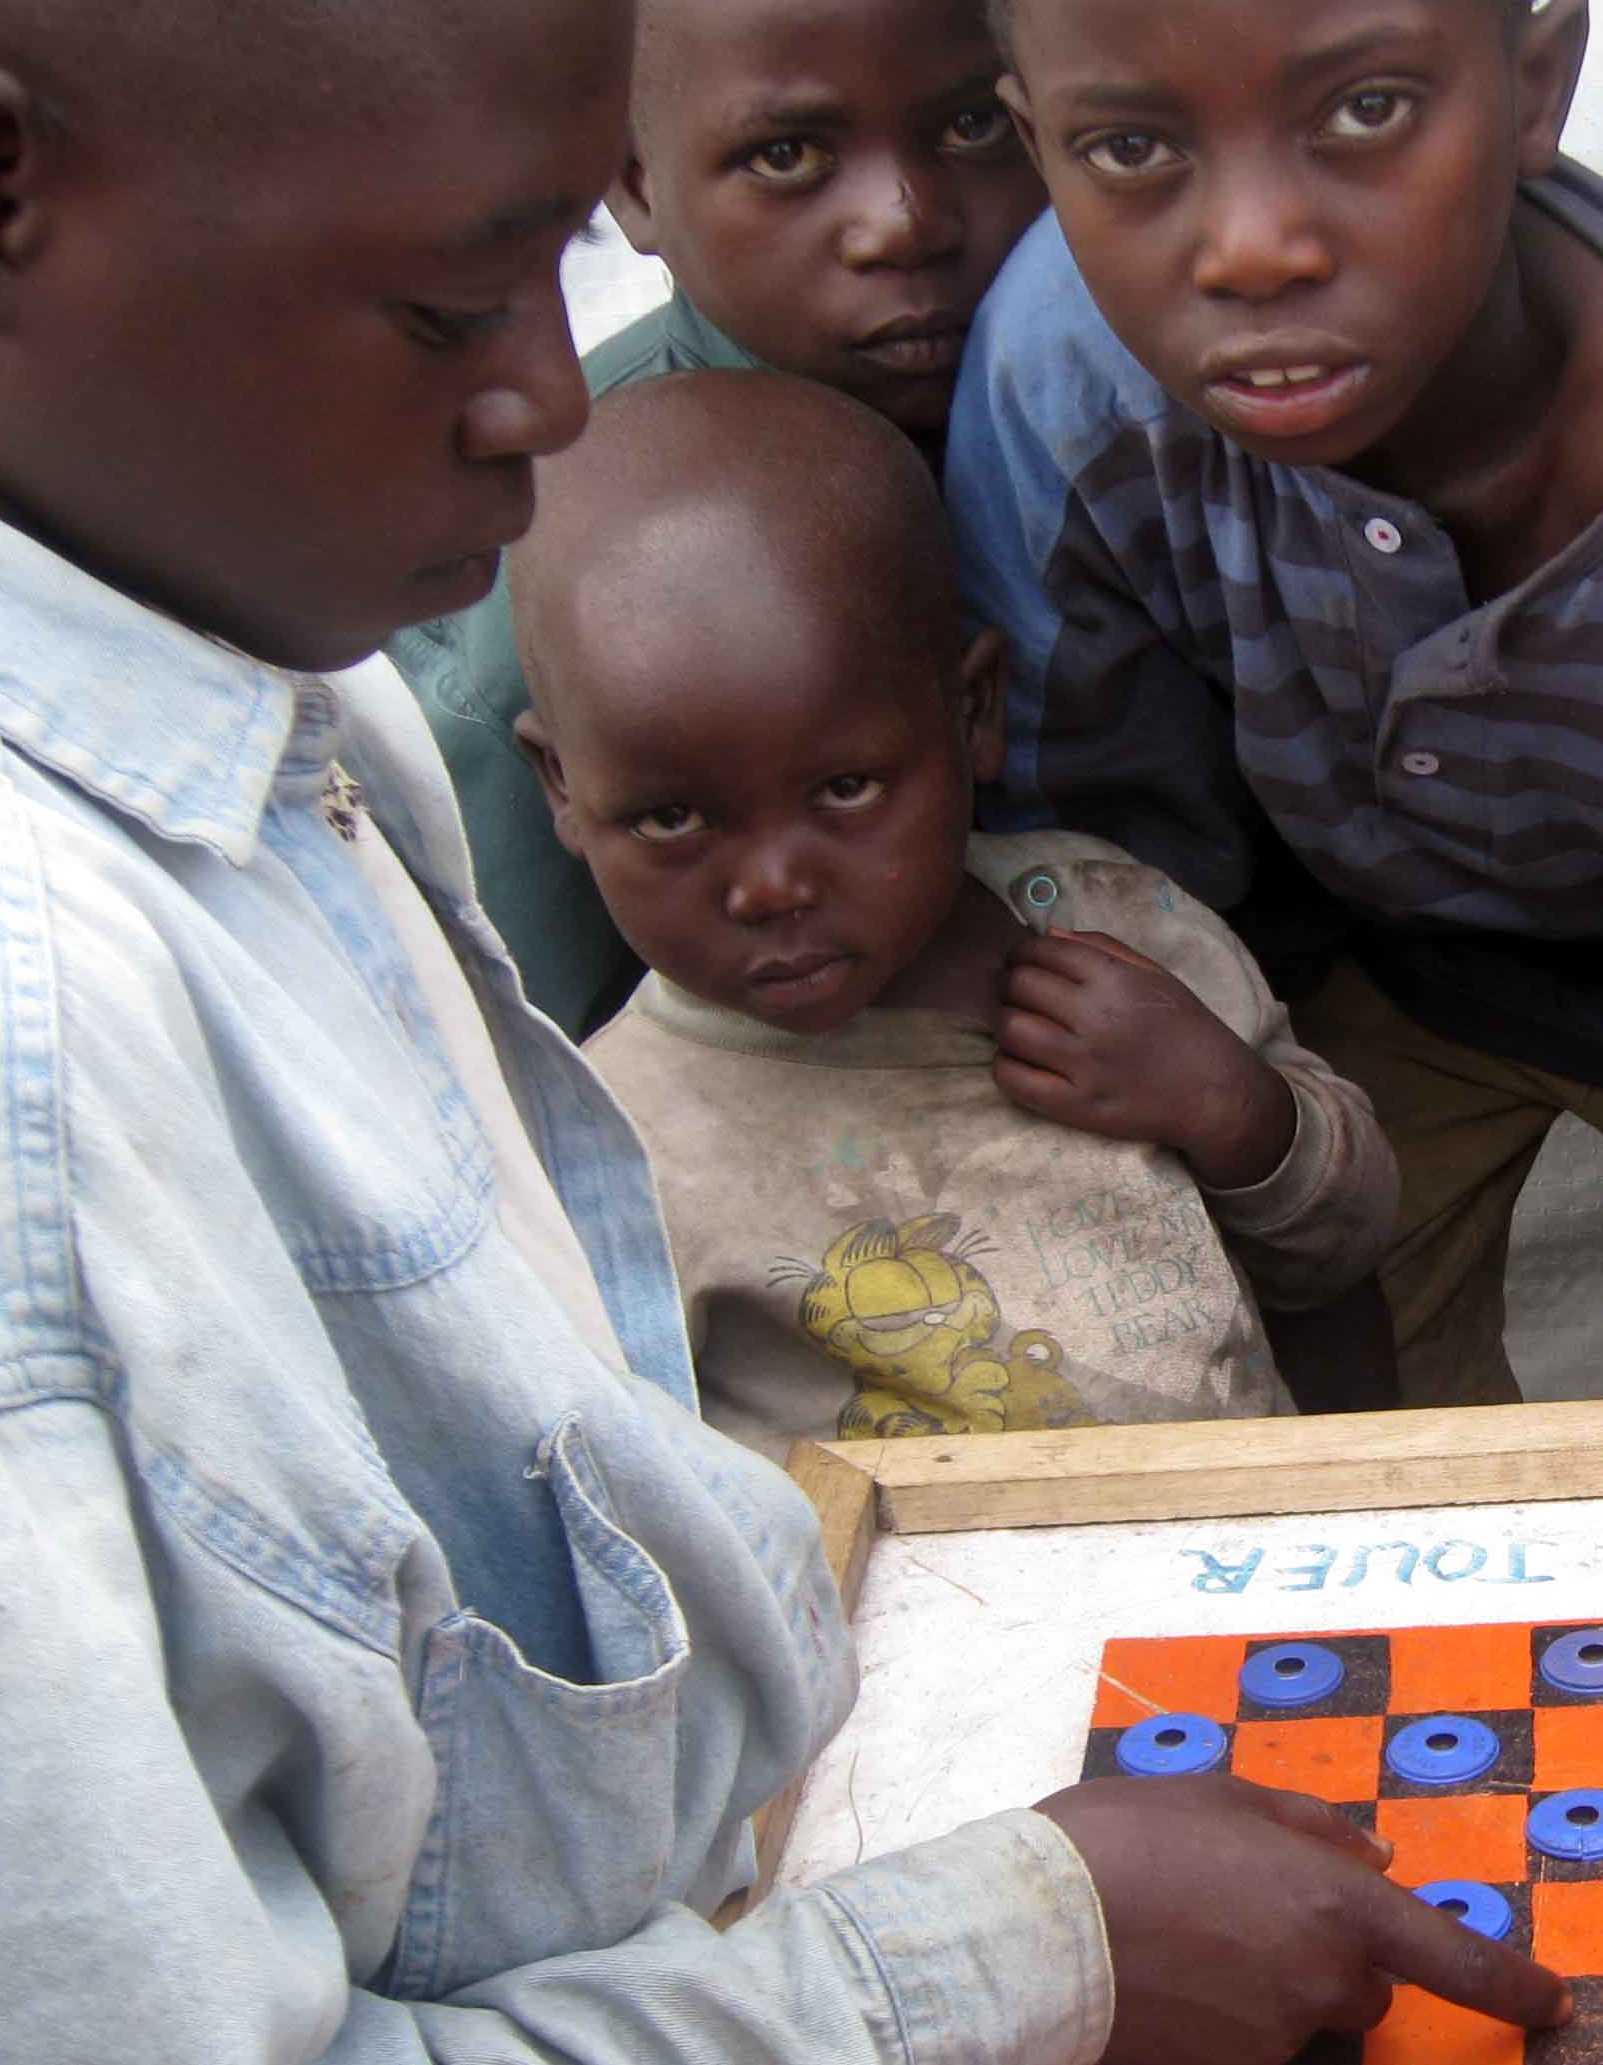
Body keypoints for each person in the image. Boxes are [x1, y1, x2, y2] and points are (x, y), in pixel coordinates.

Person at [0, 0, 1561, 2065]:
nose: (551, 397)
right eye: (454, 307)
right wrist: (1020, 1947)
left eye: (566, 262)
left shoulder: (228, 659)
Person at [952, 0, 1603, 1402]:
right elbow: (1101, 846)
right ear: (1036, 142)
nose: (1251, 250)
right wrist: (1236, 1097)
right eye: (1131, 148)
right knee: (1327, 1452)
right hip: (1358, 972)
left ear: (1537, 90)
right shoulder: (1059, 372)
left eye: (1367, 108)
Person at [521, 373, 1397, 1450]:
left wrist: (1232, 1108)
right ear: (561, 788)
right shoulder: (615, 1146)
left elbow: (1341, 1246)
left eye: (844, 790)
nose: (768, 888)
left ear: (972, 711)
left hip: (1245, 1583)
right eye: (668, 818)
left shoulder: (1120, 925)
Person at [386, 0, 1052, 1040]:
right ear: (636, 185)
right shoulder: (546, 561)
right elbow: (549, 1043)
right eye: (787, 155)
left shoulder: (1139, 394)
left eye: (973, 124)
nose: (902, 221)